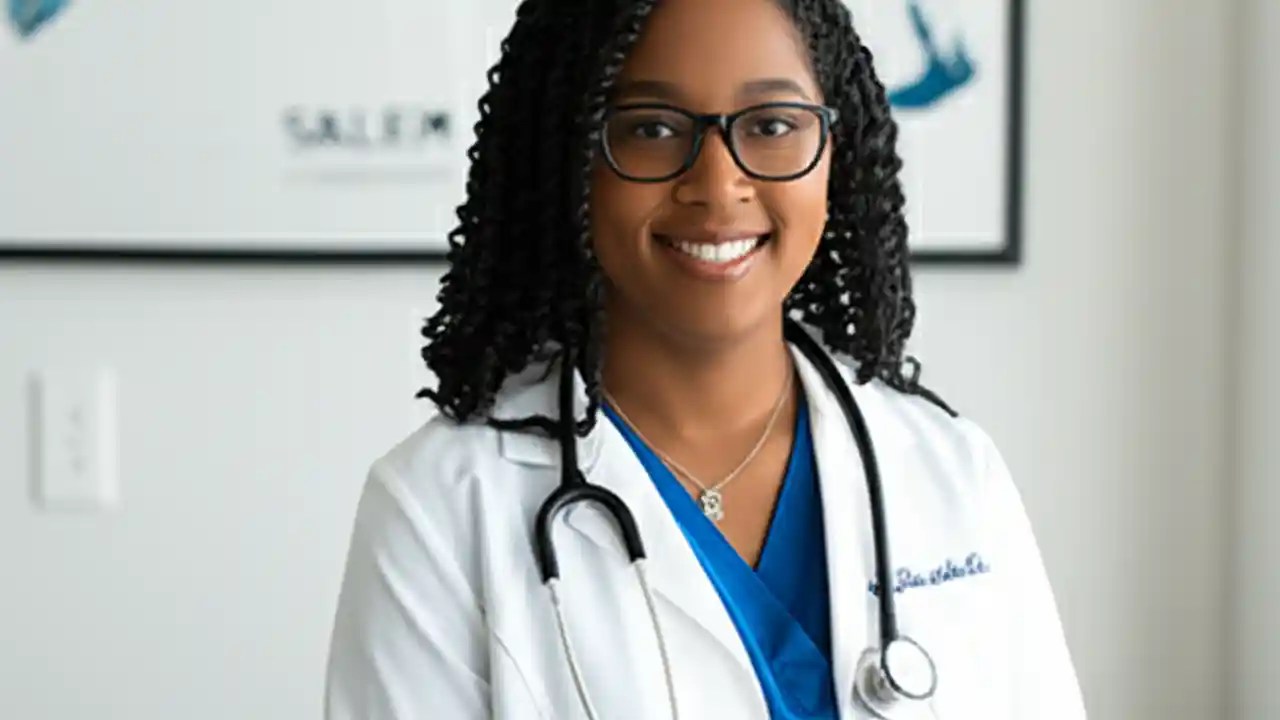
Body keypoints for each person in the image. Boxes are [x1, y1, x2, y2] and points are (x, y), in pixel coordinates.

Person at [323, 0, 1086, 717]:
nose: (719, 186)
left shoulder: (951, 473)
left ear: (836, 149)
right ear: (569, 158)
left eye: (772, 124)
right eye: (652, 128)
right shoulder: (440, 508)